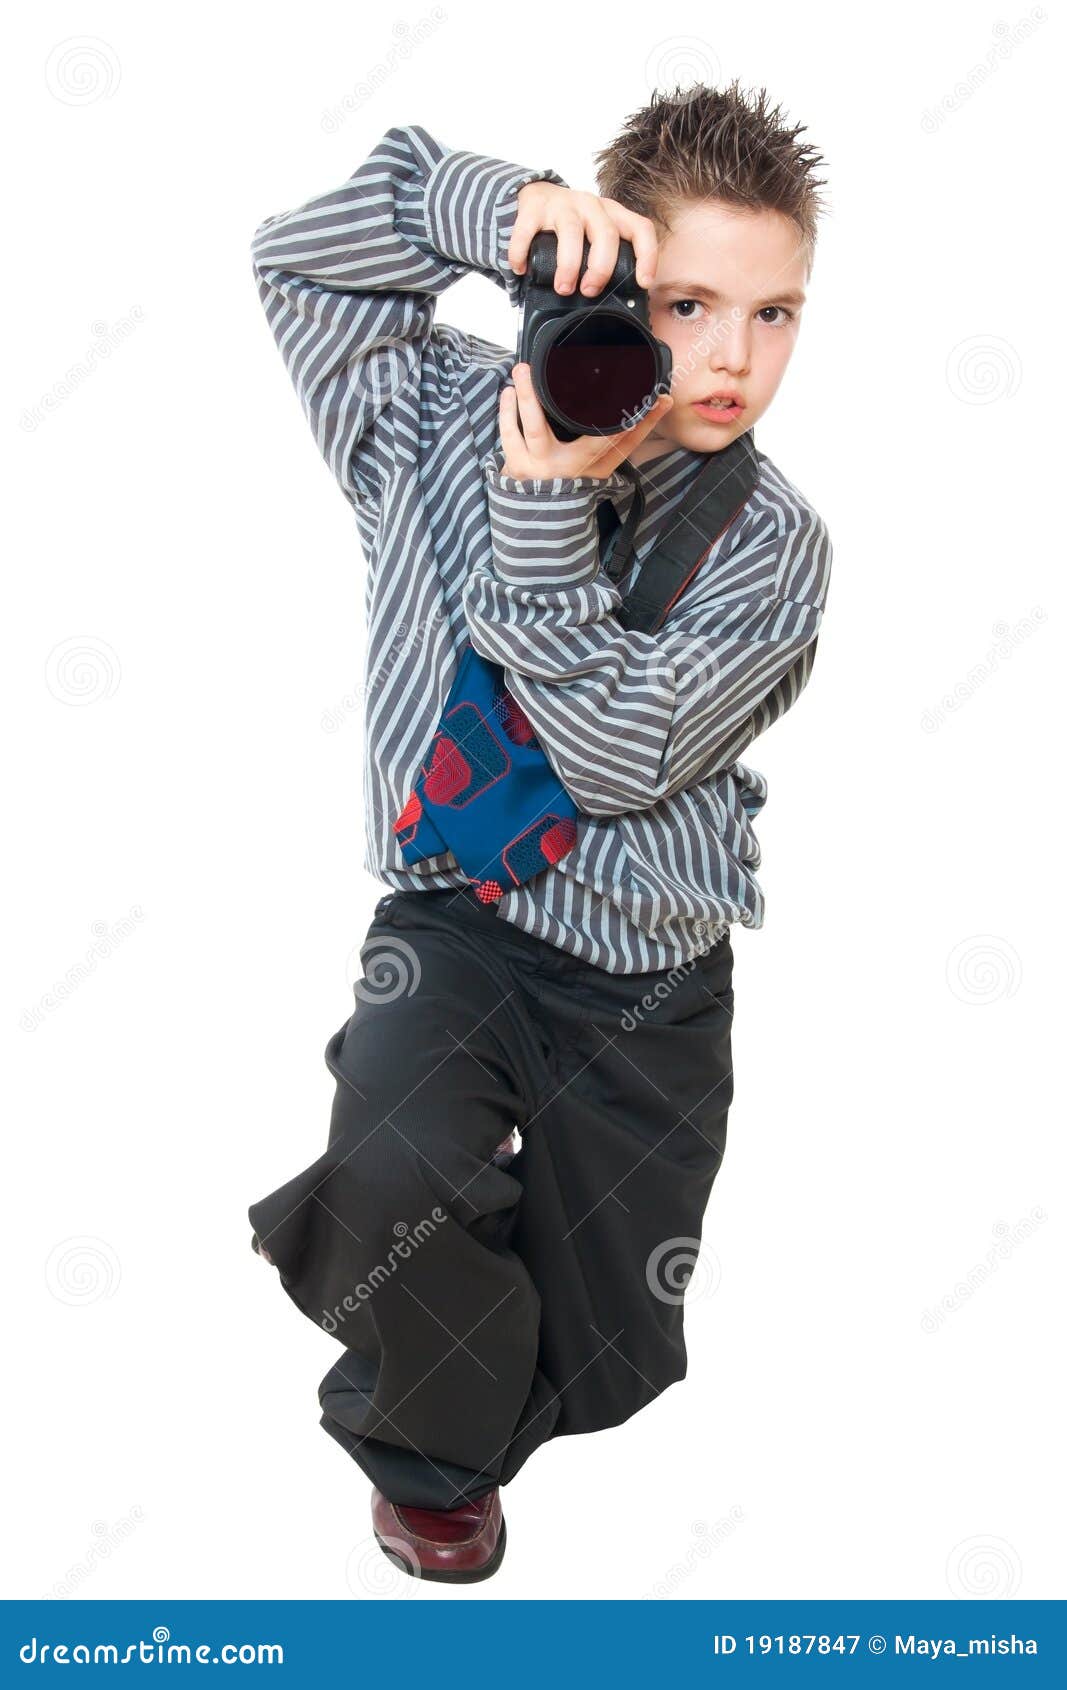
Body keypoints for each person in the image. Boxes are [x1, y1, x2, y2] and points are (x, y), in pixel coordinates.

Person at [247, 79, 833, 1584]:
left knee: (601, 1330)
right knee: (392, 1167)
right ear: (616, 265)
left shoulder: (773, 548)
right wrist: (490, 207)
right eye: (693, 300)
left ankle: (491, 1323)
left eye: (775, 315)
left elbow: (619, 747)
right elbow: (298, 264)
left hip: (642, 973)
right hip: (457, 923)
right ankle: (432, 1451)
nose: (731, 358)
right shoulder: (436, 406)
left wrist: (537, 507)